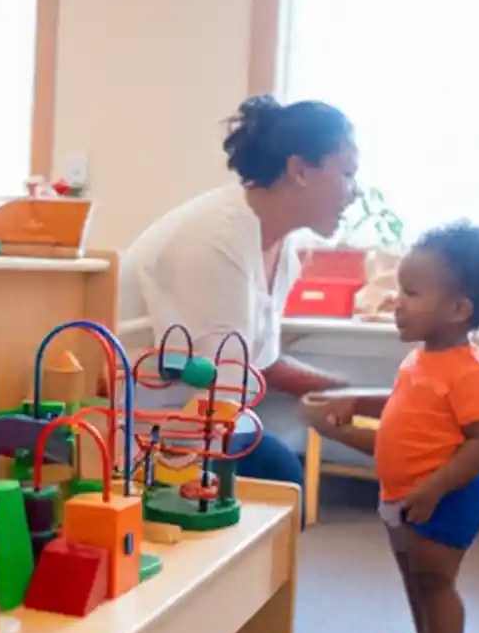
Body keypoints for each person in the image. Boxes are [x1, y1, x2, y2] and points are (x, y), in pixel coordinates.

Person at [118, 95, 360, 508]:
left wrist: (350, 391)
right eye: (348, 173)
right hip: (142, 429)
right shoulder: (212, 239)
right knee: (277, 475)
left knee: (280, 474)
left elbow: (256, 363)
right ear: (300, 170)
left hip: (202, 418)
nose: (355, 193)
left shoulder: (279, 247)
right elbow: (213, 382)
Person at [323, 221, 479, 633]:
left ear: (458, 308)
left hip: (445, 496)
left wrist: (434, 488)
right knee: (413, 575)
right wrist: (362, 403)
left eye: (410, 293)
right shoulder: (422, 356)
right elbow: (407, 406)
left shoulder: (471, 372)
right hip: (404, 492)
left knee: (436, 582)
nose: (396, 303)